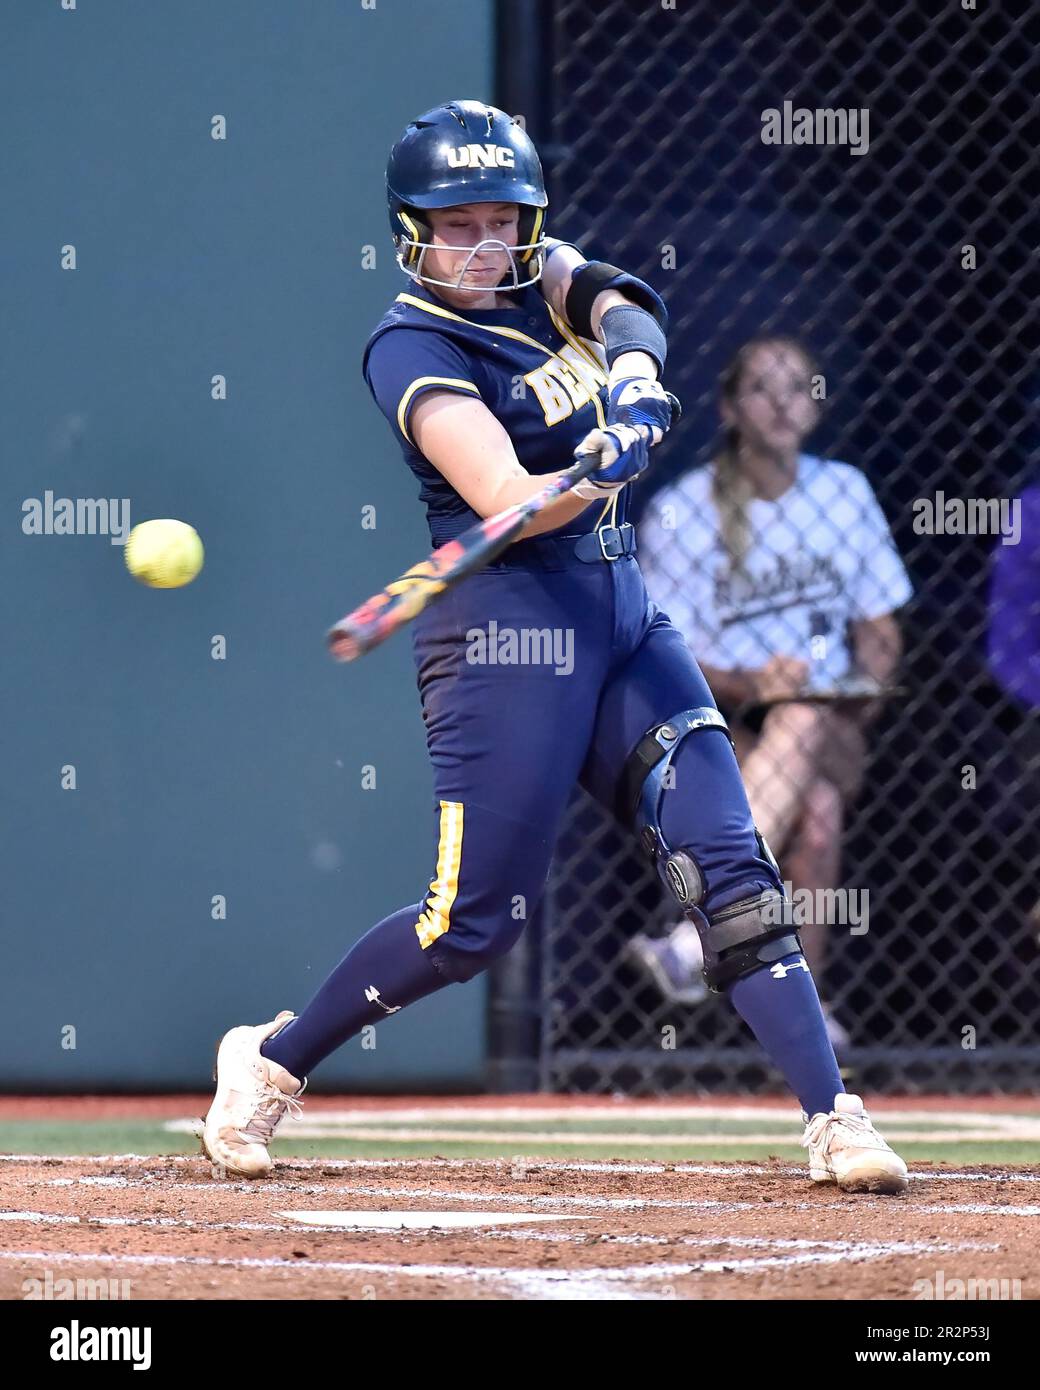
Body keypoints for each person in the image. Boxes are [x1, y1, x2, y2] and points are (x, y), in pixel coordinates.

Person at [201, 102, 907, 1194]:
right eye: (457, 225)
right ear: (412, 231)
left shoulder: (543, 275)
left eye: (502, 221)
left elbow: (627, 304)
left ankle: (833, 1113)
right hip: (502, 631)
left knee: (729, 866)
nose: (485, 246)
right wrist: (602, 460)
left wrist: (630, 380)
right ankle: (272, 1059)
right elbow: (505, 498)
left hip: (620, 611)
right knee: (471, 927)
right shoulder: (410, 345)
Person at [630, 336, 912, 1049]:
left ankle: (694, 940)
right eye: (764, 388)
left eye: (801, 387)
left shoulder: (844, 491)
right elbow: (669, 652)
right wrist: (753, 680)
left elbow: (882, 634)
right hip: (718, 719)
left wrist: (858, 691)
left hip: (834, 717)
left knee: (806, 720)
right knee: (815, 816)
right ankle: (801, 1025)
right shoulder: (682, 509)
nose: (786, 403)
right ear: (730, 408)